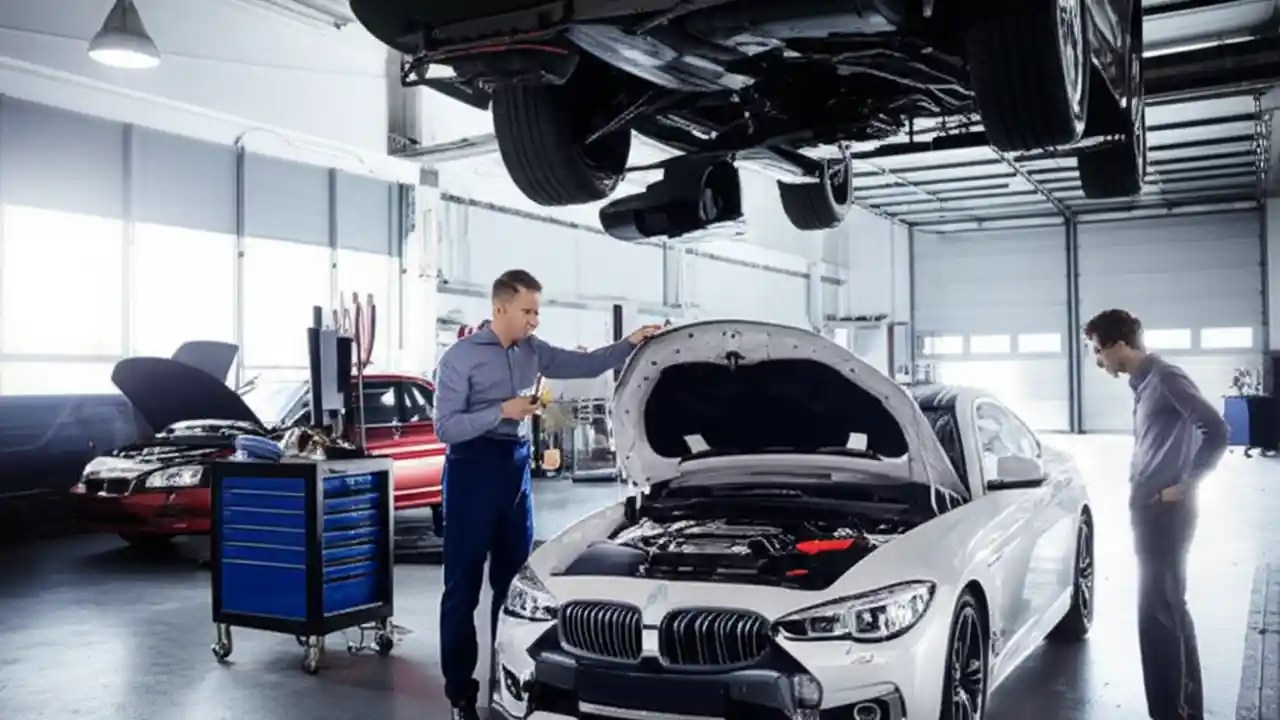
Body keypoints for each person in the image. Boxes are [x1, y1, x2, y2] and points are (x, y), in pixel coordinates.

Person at [433, 269, 661, 720]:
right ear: (500, 308)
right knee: (462, 587)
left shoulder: (533, 351)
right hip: (471, 469)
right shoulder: (459, 359)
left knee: (514, 584)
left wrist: (631, 342)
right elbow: (446, 427)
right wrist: (502, 409)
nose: (535, 320)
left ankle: (508, 678)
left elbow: (589, 363)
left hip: (514, 468)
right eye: (528, 311)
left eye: (538, 311)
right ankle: (460, 695)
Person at [1083, 308, 1228, 720]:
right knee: (1168, 609)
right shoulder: (1143, 384)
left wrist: (1184, 484)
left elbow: (1215, 430)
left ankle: (1171, 713)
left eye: (1098, 350)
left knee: (1157, 616)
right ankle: (1184, 710)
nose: (1098, 361)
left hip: (1166, 514)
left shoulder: (1165, 378)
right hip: (1152, 510)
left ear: (1118, 345)